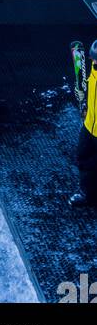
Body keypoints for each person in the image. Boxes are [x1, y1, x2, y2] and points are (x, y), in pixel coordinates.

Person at [70, 40, 97, 208]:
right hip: (90, 125)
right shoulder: (94, 72)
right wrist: (84, 102)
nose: (93, 63)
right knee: (83, 156)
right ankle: (86, 193)